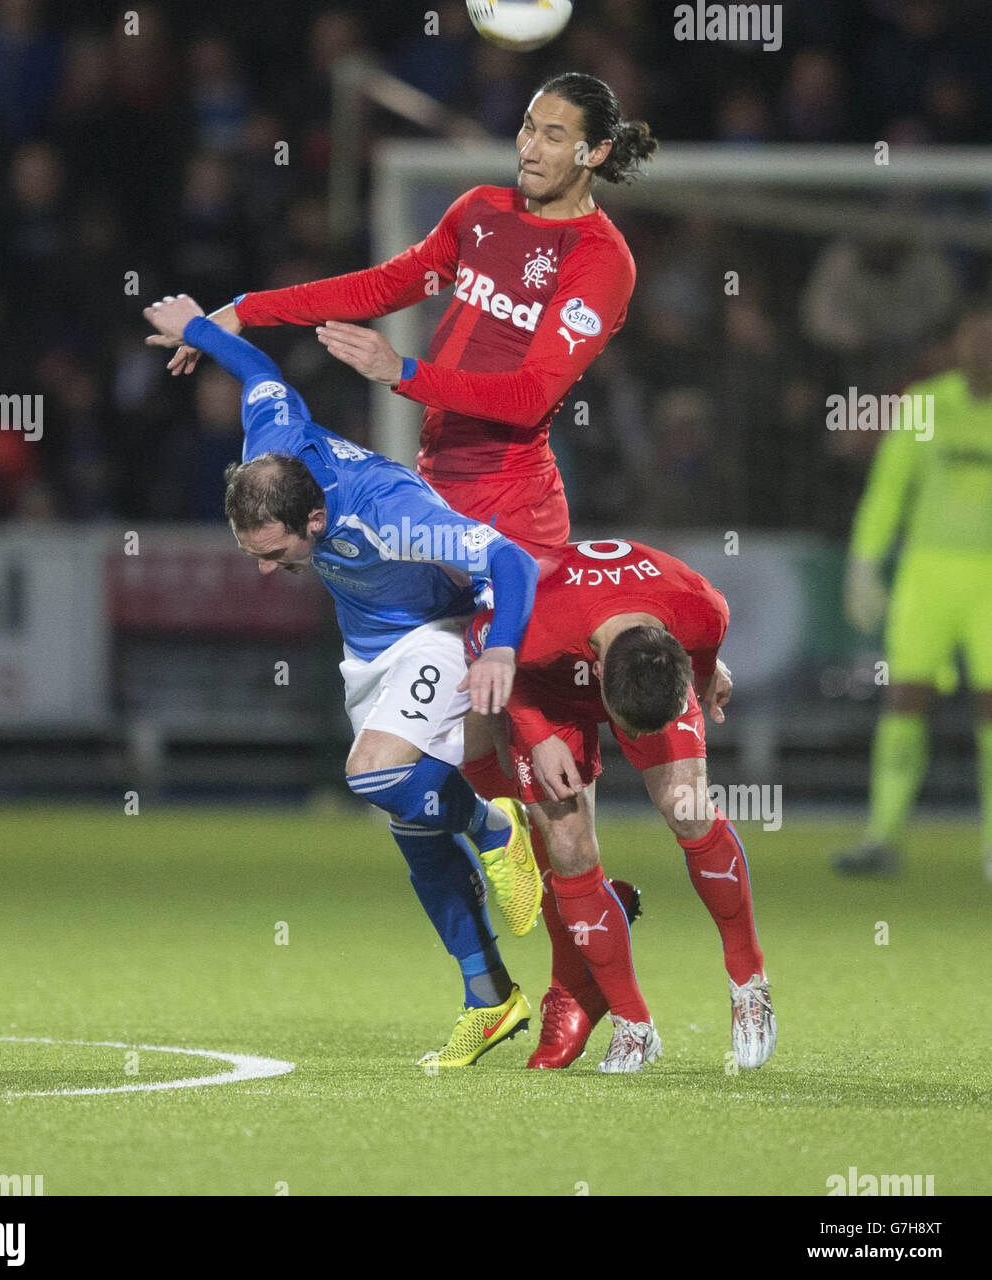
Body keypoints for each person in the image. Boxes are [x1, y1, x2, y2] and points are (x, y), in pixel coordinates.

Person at [164, 69, 657, 938]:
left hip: (515, 501)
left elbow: (533, 394)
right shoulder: (479, 212)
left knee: (530, 730)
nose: (530, 147)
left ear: (596, 153)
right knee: (464, 742)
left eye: (552, 135)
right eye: (528, 127)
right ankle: (570, 900)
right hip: (441, 484)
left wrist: (404, 374)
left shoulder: (600, 260)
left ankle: (587, 913)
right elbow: (380, 285)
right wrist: (244, 311)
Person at [143, 293, 543, 1067]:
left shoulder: (391, 514)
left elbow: (511, 560)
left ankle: (496, 828)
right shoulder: (273, 446)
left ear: (317, 522)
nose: (264, 570)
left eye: (274, 553)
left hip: (437, 631)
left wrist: (502, 651)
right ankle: (489, 997)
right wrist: (197, 328)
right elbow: (258, 367)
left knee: (373, 774)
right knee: (413, 826)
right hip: (369, 652)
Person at [466, 536, 775, 1074]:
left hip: (639, 649)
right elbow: (487, 650)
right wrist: (539, 737)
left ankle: (749, 983)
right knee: (567, 847)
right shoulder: (537, 617)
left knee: (687, 803)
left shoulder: (703, 610)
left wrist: (705, 681)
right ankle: (634, 1024)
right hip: (548, 687)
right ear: (601, 675)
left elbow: (704, 652)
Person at [837, 304, 992, 880]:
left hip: (990, 581)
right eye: (975, 337)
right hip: (926, 577)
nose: (984, 350)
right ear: (958, 345)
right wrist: (864, 562)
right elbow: (888, 491)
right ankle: (883, 837)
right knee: (904, 698)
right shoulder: (927, 405)